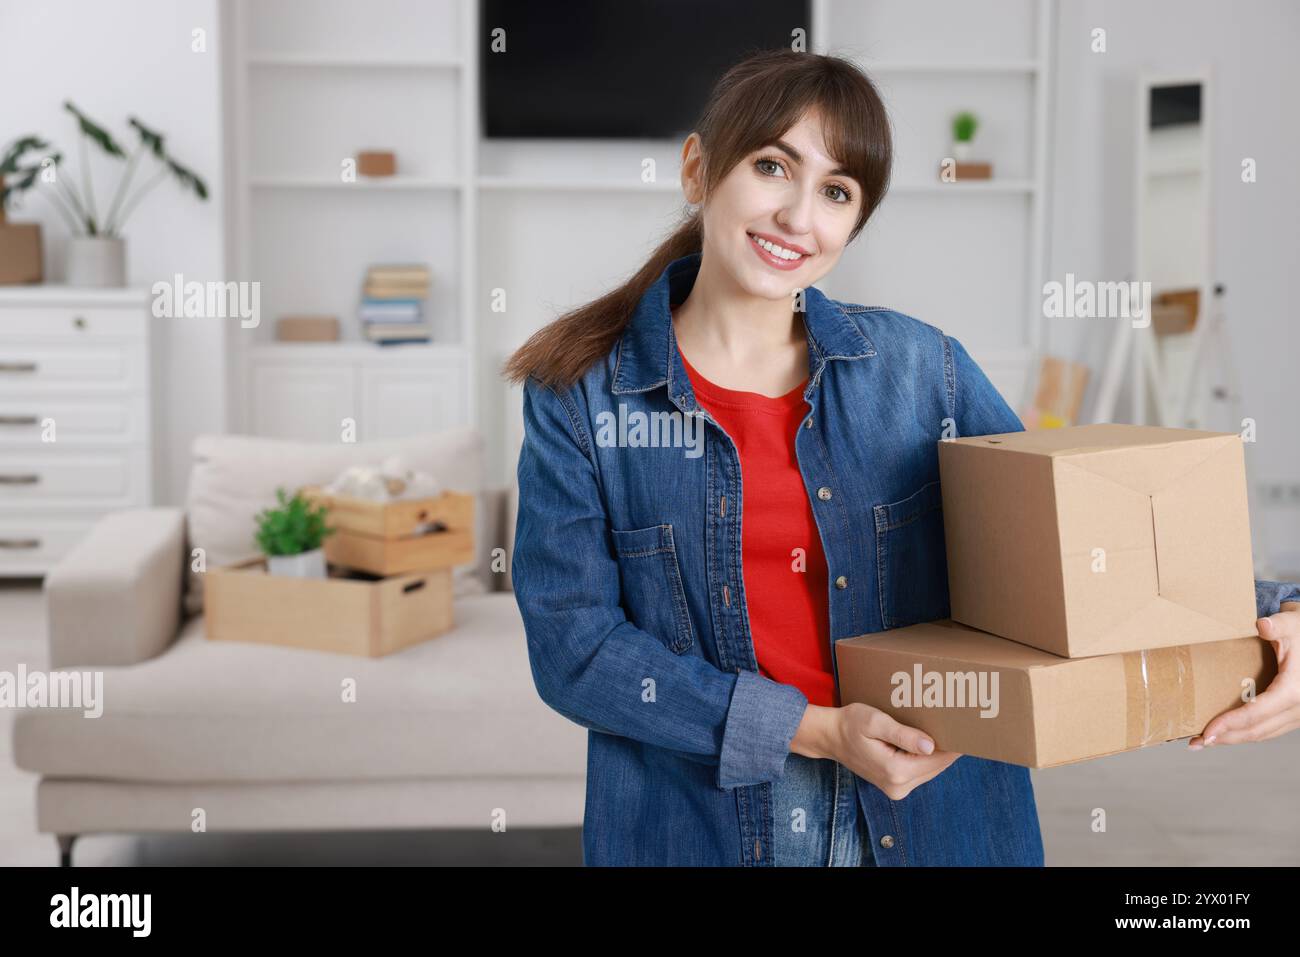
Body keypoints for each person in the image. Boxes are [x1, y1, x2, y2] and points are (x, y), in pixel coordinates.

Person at [501, 49, 1300, 867]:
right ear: (700, 169)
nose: (798, 217)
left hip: (934, 818)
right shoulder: (579, 396)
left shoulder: (924, 371)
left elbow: (1076, 552)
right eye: (773, 166)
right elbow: (577, 651)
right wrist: (814, 729)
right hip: (700, 829)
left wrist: (1281, 614)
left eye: (837, 191)